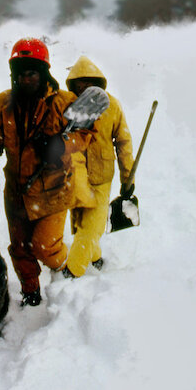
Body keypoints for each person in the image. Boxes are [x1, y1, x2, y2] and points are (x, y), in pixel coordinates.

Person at [0, 38, 93, 306]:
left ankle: (65, 267)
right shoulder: (3, 105)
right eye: (21, 74)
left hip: (55, 189)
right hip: (16, 191)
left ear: (44, 73)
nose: (26, 79)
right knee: (20, 249)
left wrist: (61, 144)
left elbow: (85, 133)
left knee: (44, 246)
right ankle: (31, 293)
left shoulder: (63, 103)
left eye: (32, 73)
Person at [62, 56, 135, 277]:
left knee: (91, 226)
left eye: (89, 83)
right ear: (73, 84)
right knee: (82, 223)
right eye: (79, 83)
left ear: (98, 83)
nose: (84, 87)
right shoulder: (68, 106)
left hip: (102, 175)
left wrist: (127, 177)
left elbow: (123, 142)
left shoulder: (112, 106)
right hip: (75, 175)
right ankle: (95, 257)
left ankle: (72, 270)